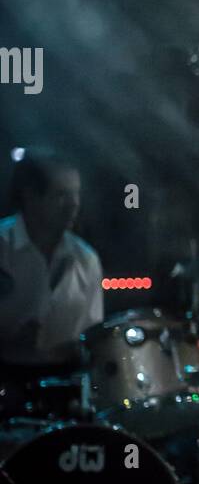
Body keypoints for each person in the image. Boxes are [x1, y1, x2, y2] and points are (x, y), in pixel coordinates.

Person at [0, 149, 103, 371]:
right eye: (61, 195)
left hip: (65, 387)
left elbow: (94, 336)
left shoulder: (87, 259)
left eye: (76, 194)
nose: (74, 204)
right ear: (30, 197)